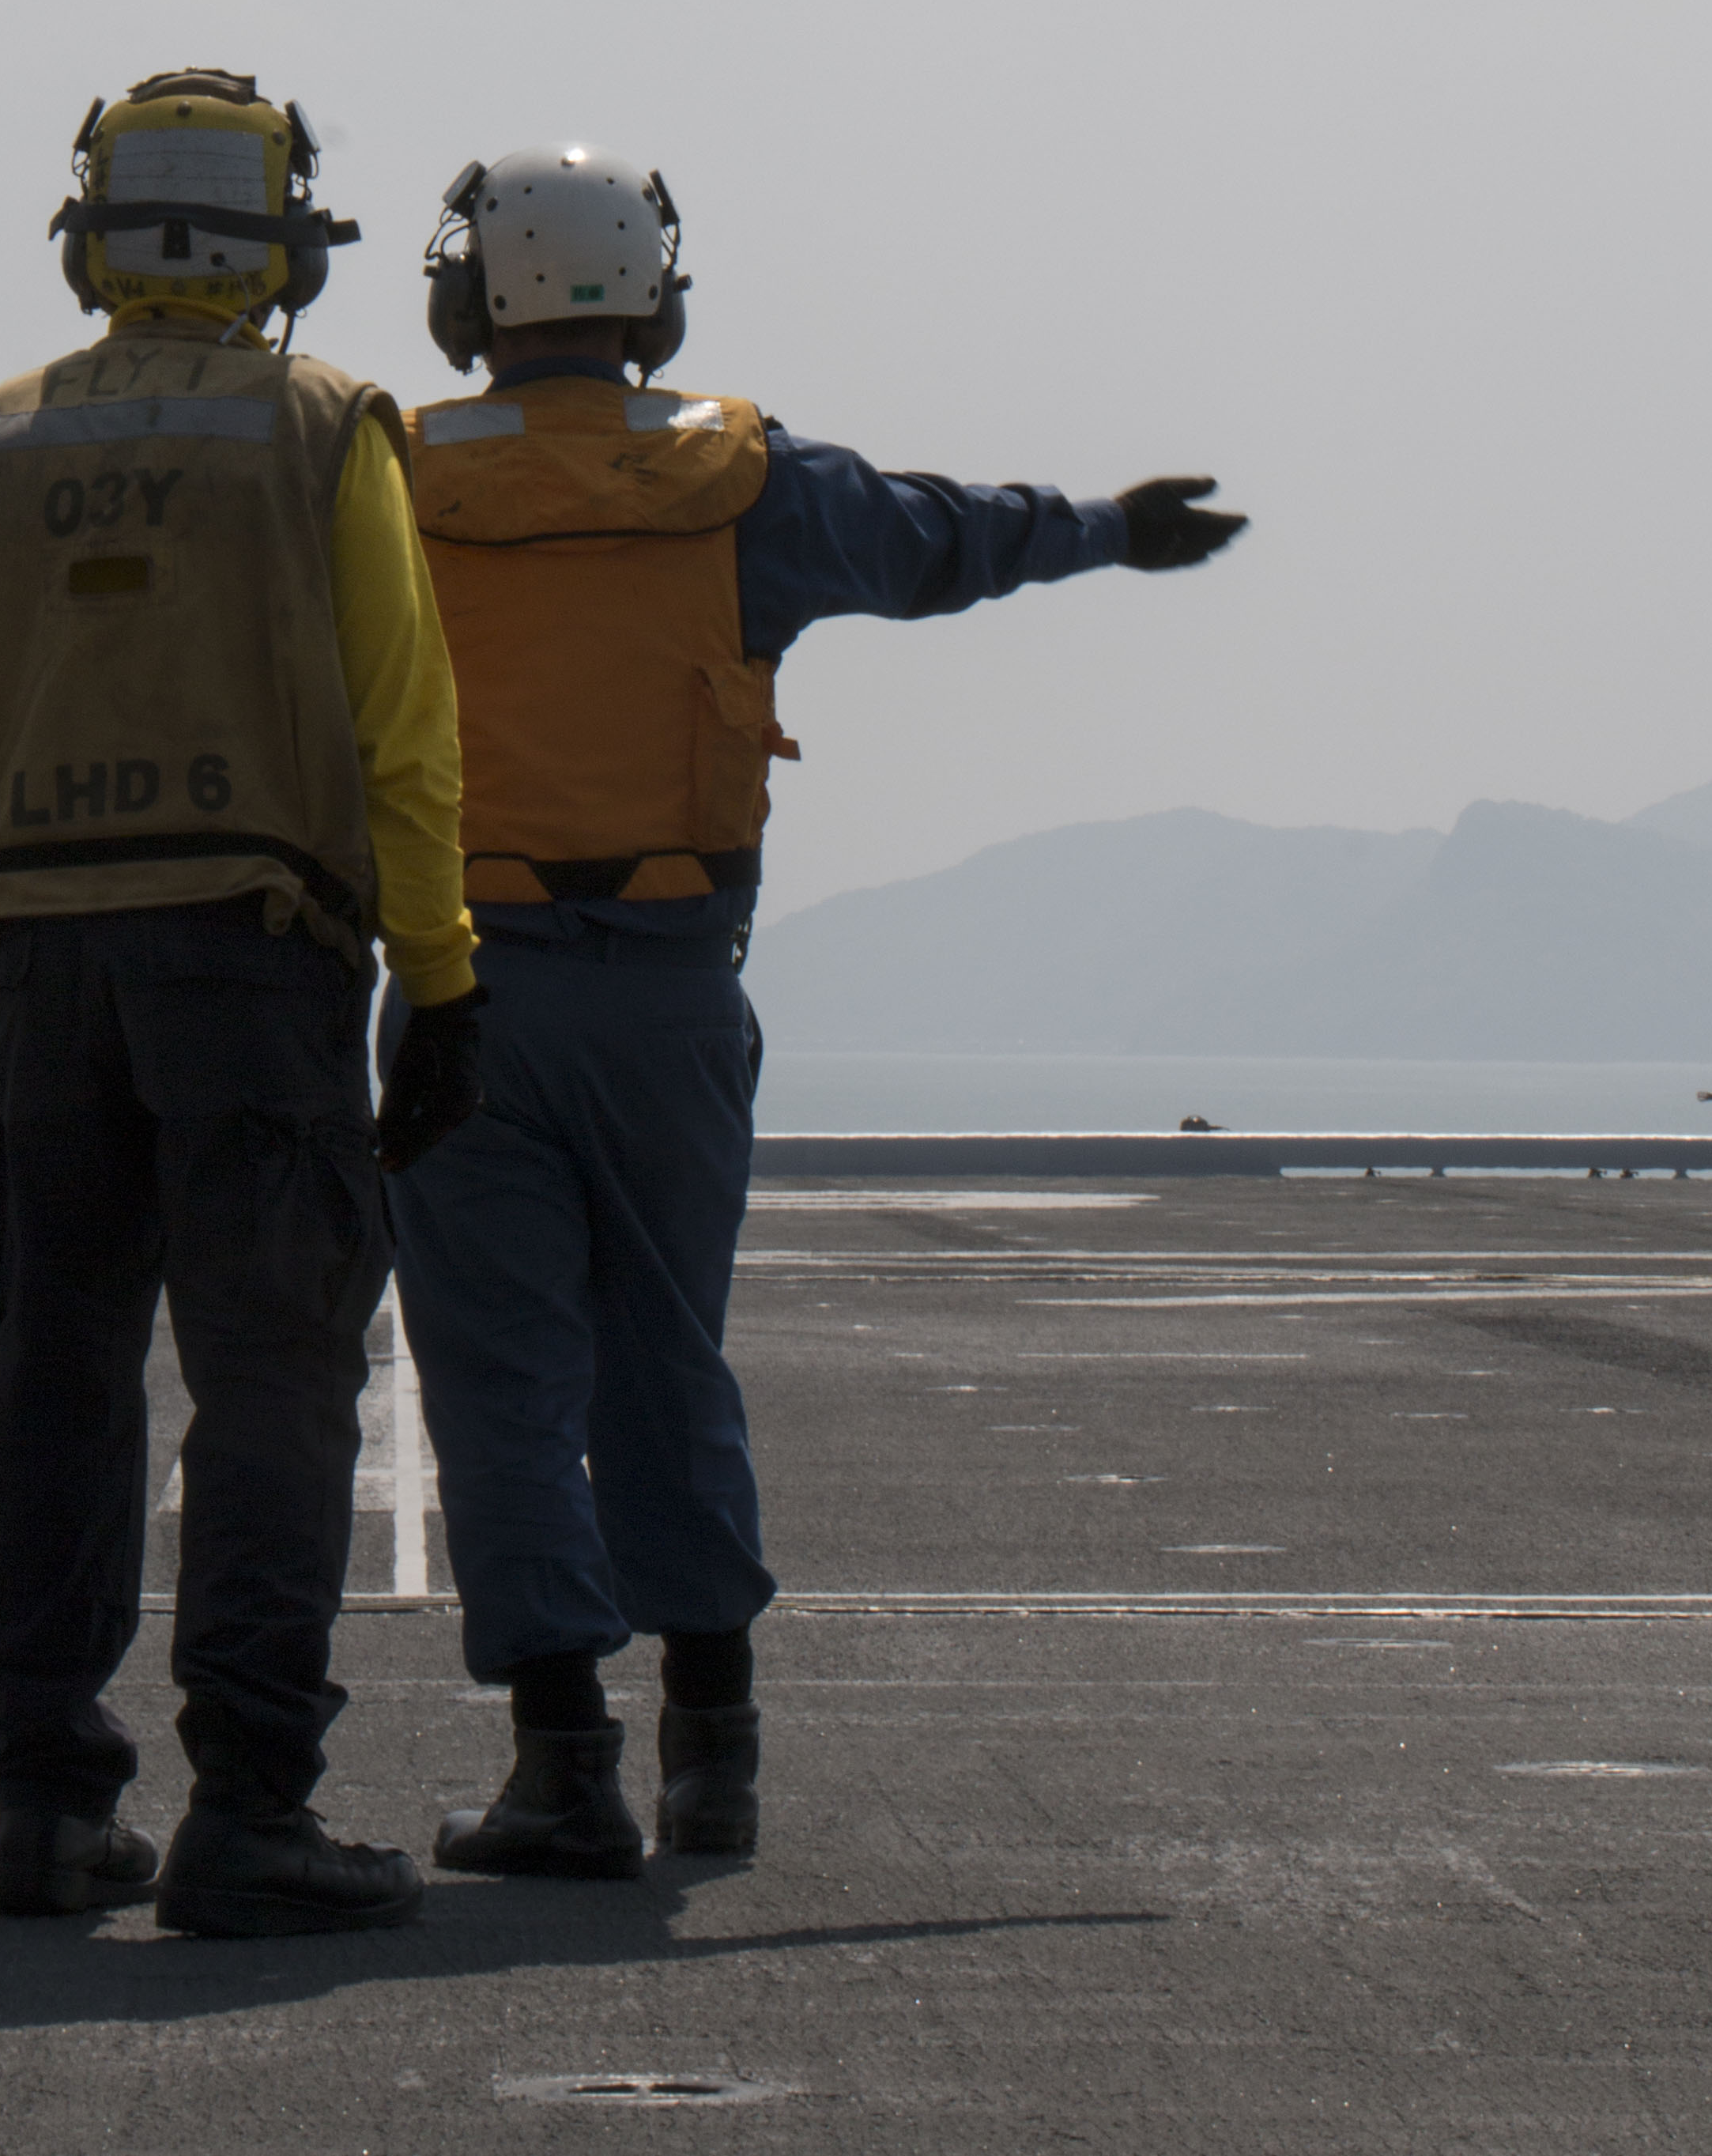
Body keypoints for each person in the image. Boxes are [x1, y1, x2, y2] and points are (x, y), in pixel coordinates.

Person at [387, 144, 1246, 1878]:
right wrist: (1107, 533)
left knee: (497, 1387)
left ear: (466, 304)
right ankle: (716, 1750)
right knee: (666, 1364)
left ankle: (564, 1770)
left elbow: (206, 574)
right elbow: (942, 542)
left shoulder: (383, 487)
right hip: (678, 1002)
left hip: (468, 996)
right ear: (657, 299)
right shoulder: (741, 484)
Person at [0, 69, 487, 1939]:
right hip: (253, 963)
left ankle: (49, 1807)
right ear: (283, 237)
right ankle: (253, 1808)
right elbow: (403, 731)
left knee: (55, 1386)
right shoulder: (324, 430)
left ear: (92, 234)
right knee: (275, 1389)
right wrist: (443, 979)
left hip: (39, 972)